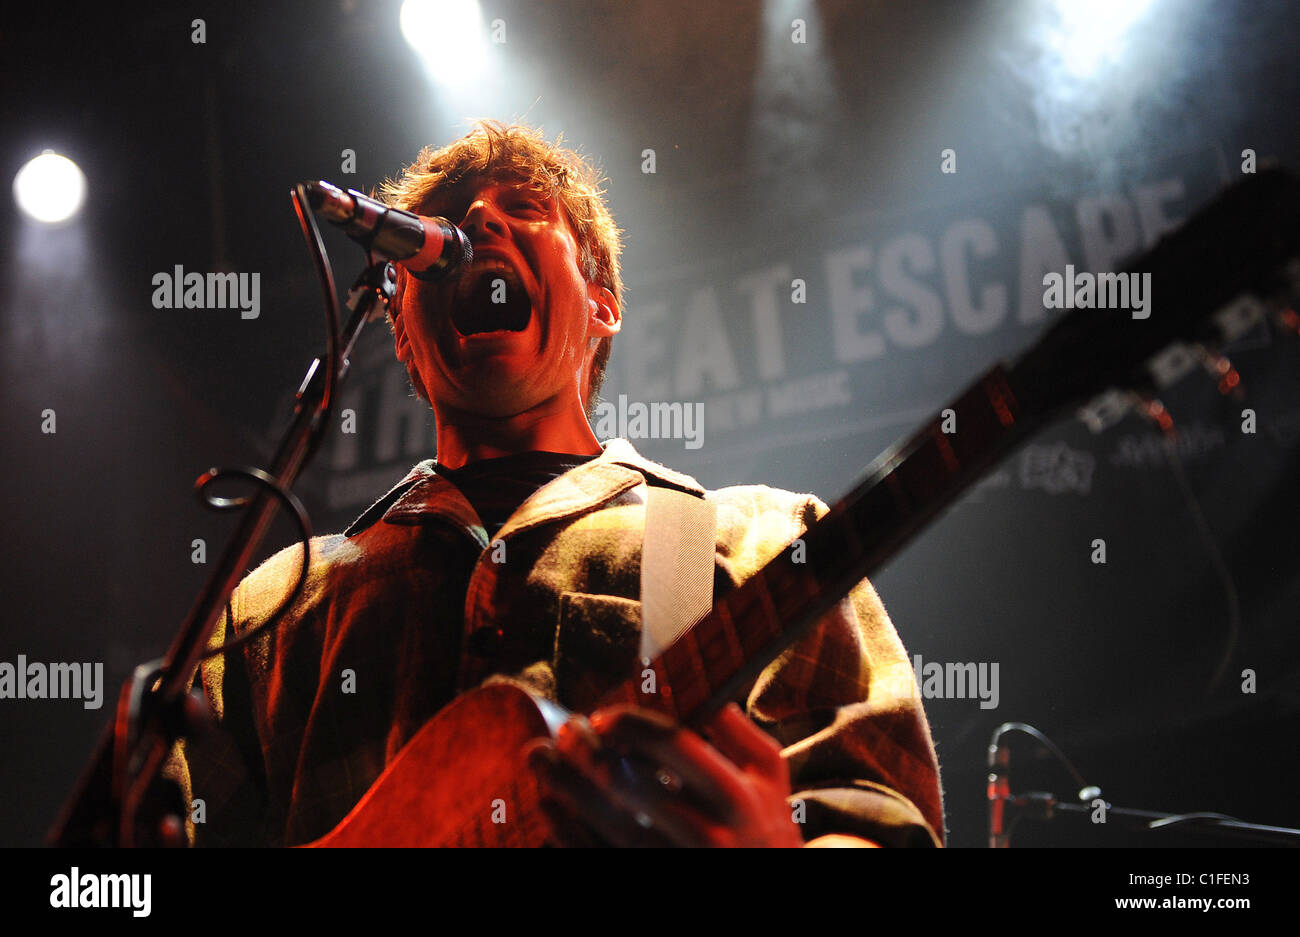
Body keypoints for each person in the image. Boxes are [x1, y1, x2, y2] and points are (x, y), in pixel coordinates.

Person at [166, 121, 944, 848]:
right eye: (452, 215)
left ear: (602, 305)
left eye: (526, 207)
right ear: (400, 327)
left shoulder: (766, 543)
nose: (478, 219)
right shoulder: (269, 610)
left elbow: (878, 812)